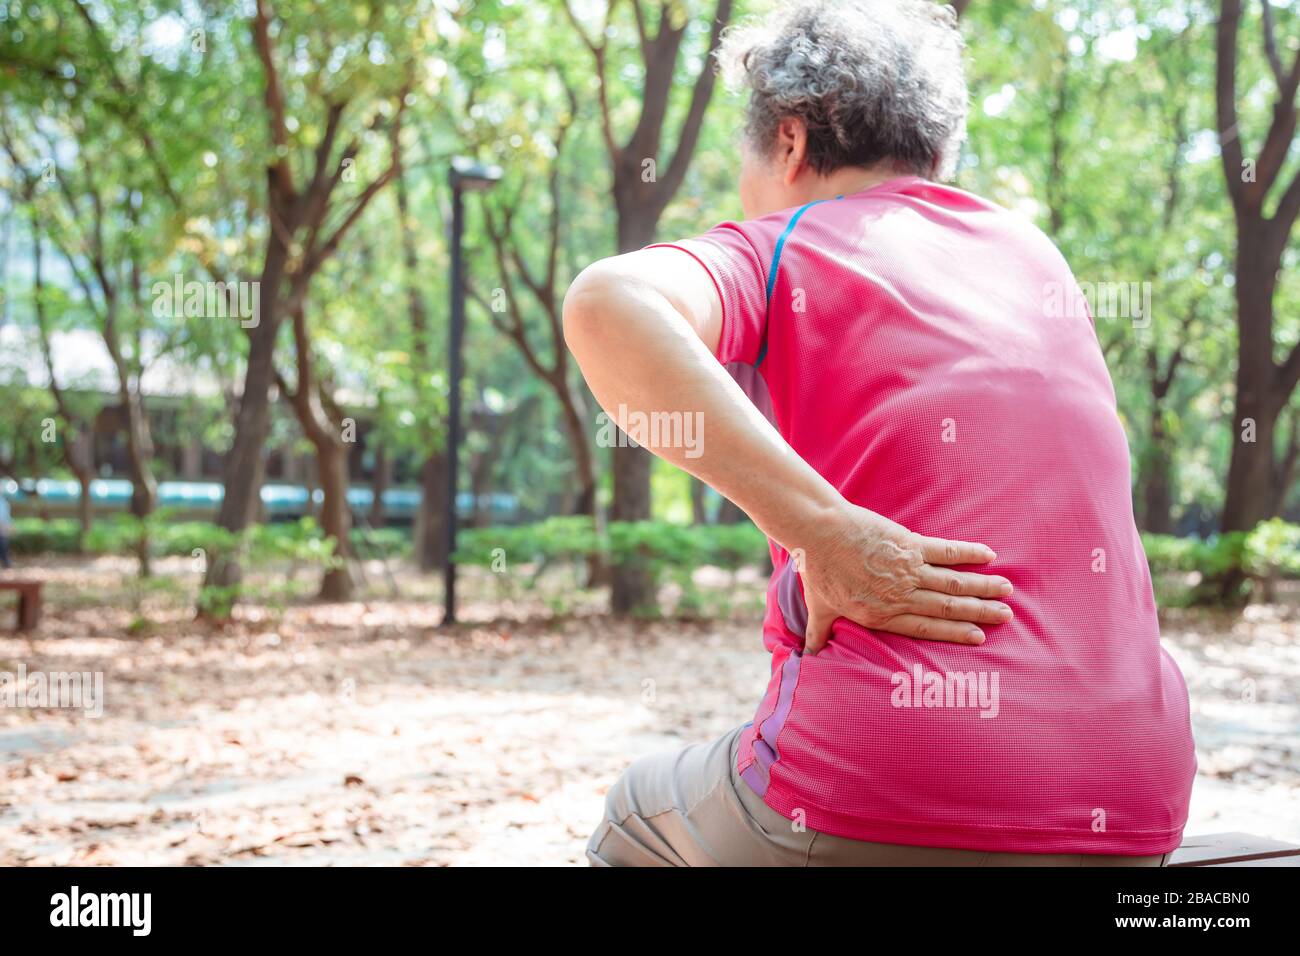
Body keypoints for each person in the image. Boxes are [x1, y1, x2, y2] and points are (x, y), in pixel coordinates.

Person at [563, 0, 1195, 866]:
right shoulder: (1033, 259)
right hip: (1135, 808)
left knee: (636, 812)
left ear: (787, 143)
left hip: (878, 789)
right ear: (938, 153)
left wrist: (819, 530)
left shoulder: (783, 243)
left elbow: (608, 304)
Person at [0, 490, 12, 570]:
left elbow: (6, 517)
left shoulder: (3, 502)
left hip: (2, 528)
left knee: (4, 543)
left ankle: (6, 563)